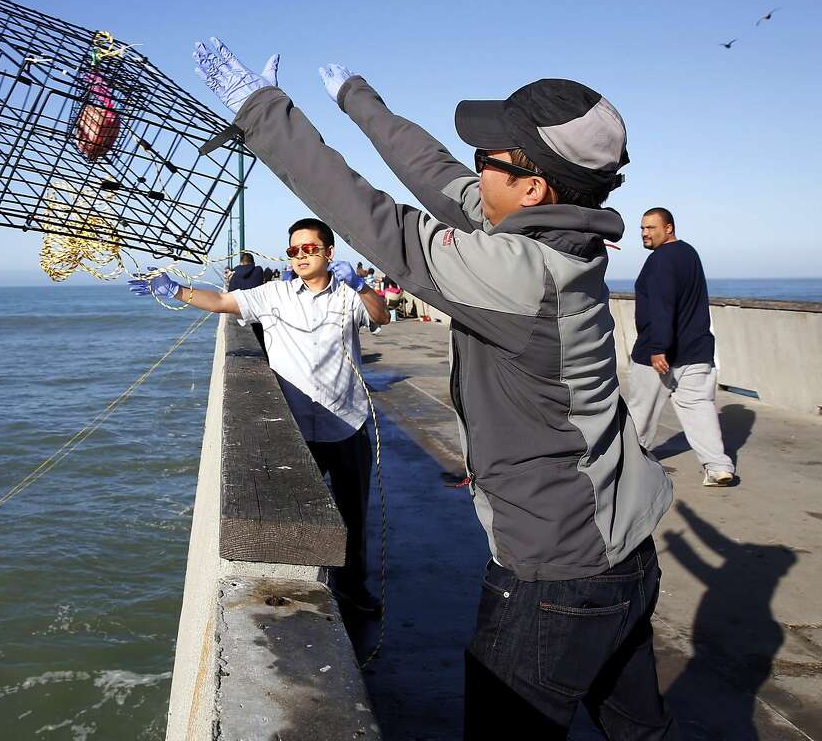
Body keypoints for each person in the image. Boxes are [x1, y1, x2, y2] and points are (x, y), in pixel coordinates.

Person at [194, 38, 676, 738]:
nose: (475, 170)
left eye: (490, 160)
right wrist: (359, 99)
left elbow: (378, 222)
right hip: (625, 555)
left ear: (533, 186)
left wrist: (264, 114)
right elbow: (435, 174)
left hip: (556, 573)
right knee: (641, 730)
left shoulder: (522, 272)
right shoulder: (552, 236)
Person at [130, 218, 391, 613]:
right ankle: (308, 589)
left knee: (353, 518)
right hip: (295, 427)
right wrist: (174, 290)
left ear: (329, 253)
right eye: (293, 250)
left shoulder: (348, 296)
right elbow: (220, 303)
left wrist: (360, 284)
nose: (300, 256)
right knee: (296, 514)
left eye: (308, 248)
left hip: (347, 422)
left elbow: (381, 316)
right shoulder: (274, 295)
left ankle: (355, 591)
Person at [629, 208, 735, 487]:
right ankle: (718, 467)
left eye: (651, 228)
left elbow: (663, 306)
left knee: (642, 412)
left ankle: (629, 467)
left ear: (669, 228)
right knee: (699, 408)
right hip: (697, 350)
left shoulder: (661, 260)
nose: (645, 234)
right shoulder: (689, 254)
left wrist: (658, 347)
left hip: (659, 354)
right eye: (642, 228)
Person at [229, 251, 271, 353]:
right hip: (258, 308)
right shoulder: (258, 270)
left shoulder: (234, 274)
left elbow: (230, 292)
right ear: (252, 262)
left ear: (241, 262)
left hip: (240, 309)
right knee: (263, 337)